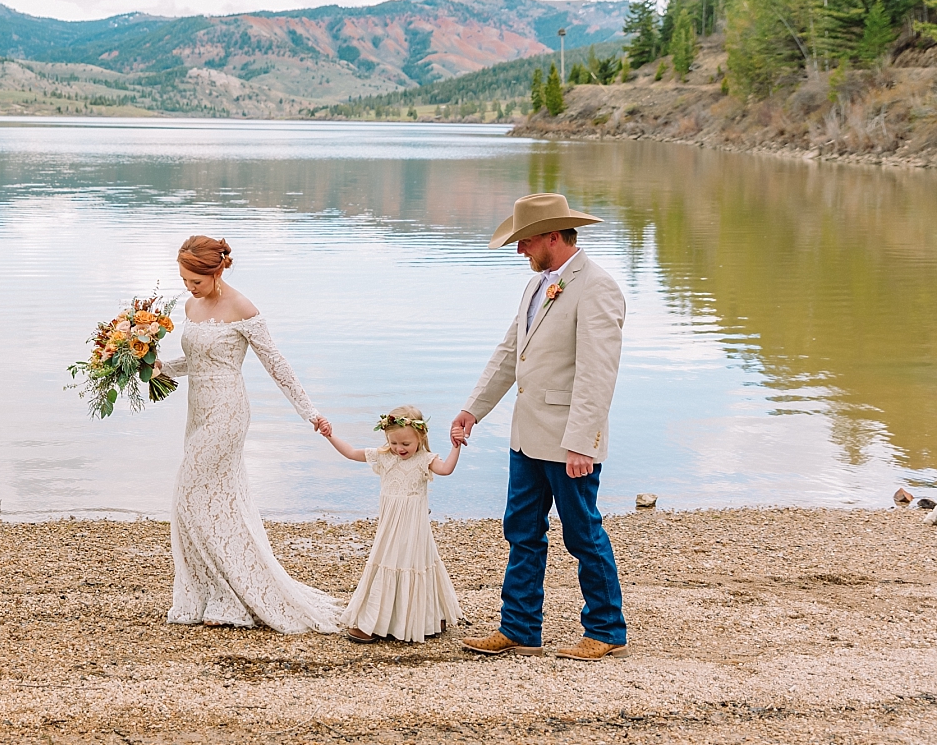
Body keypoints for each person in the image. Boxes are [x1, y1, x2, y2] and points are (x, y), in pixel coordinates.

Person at [451, 193, 629, 662]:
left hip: (570, 441)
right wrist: (473, 409)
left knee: (582, 534)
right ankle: (520, 627)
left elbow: (597, 373)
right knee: (522, 531)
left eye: (525, 241)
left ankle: (607, 630)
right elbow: (511, 353)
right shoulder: (536, 286)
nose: (519, 251)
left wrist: (581, 445)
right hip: (526, 436)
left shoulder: (597, 287)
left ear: (553, 236)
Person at [153, 235, 341, 633]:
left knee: (191, 495)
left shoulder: (243, 308)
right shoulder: (190, 305)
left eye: (196, 282)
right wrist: (159, 368)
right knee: (211, 500)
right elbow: (198, 359)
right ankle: (208, 592)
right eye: (185, 280)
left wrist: (311, 413)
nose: (189, 288)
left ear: (217, 270)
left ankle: (232, 597)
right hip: (197, 409)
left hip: (227, 410)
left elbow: (276, 364)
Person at [322, 406, 462, 644]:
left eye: (406, 444)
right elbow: (351, 453)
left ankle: (429, 617)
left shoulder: (424, 460)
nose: (399, 449)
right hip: (390, 526)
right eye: (394, 442)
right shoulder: (384, 456)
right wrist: (330, 435)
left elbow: (446, 469)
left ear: (420, 437)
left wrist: (455, 447)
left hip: (414, 526)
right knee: (388, 562)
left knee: (416, 563)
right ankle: (378, 620)